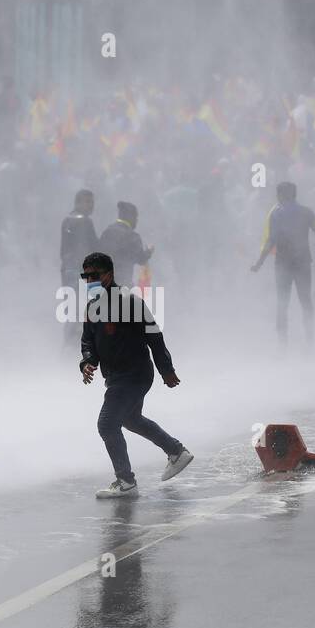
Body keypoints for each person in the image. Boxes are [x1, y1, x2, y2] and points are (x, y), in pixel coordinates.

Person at [79, 251, 192, 499]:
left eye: (94, 276)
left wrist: (167, 369)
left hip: (135, 373)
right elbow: (88, 342)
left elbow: (154, 336)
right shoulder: (91, 307)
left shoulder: (130, 302)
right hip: (116, 376)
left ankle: (126, 481)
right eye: (85, 277)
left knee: (107, 423)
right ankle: (176, 451)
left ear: (108, 274)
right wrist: (87, 362)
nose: (89, 281)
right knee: (130, 419)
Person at [250, 181, 315, 345]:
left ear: (282, 195)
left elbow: (271, 241)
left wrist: (259, 262)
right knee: (306, 301)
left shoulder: (277, 214)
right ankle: (310, 341)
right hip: (302, 261)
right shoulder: (307, 212)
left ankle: (282, 344)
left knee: (282, 302)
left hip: (283, 263)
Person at [60, 189, 99, 345]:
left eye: (92, 202)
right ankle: (76, 347)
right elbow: (93, 246)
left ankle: (68, 345)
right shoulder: (84, 221)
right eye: (88, 202)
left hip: (67, 271)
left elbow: (64, 250)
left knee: (71, 310)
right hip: (81, 272)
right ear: (78, 202)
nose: (91, 205)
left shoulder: (67, 219)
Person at [98, 201, 153, 284]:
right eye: (136, 217)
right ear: (130, 217)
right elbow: (141, 259)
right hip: (123, 282)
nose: (137, 220)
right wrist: (149, 251)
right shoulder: (133, 236)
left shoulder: (107, 231)